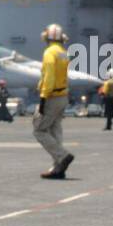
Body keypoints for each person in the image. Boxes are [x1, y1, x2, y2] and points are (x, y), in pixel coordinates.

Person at [34, 24, 75, 179]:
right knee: (55, 130)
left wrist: (44, 96)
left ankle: (62, 156)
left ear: (47, 38)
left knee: (39, 130)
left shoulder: (50, 53)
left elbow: (49, 76)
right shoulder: (63, 53)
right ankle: (58, 168)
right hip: (63, 96)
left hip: (51, 96)